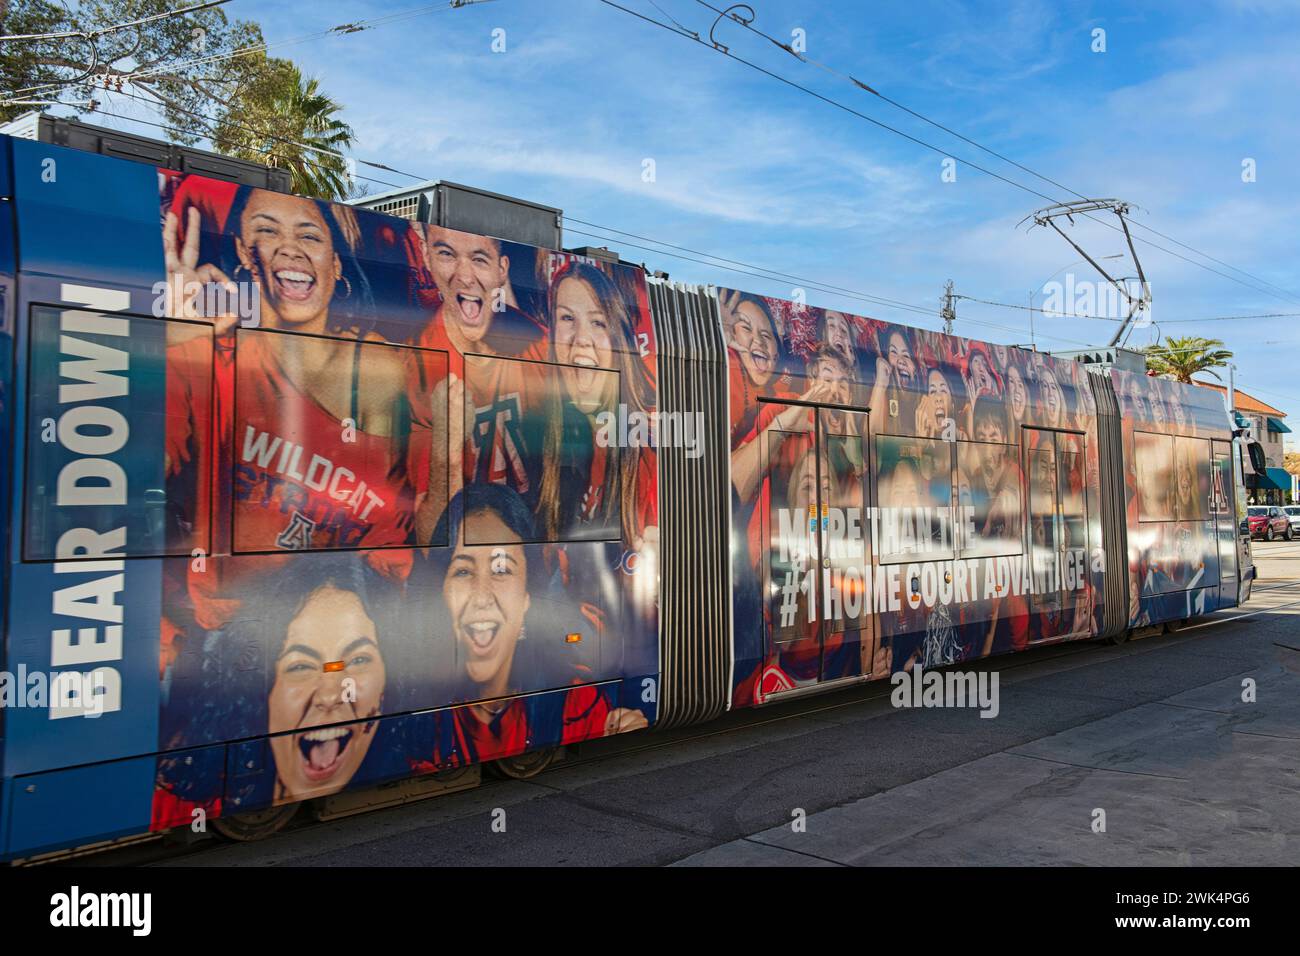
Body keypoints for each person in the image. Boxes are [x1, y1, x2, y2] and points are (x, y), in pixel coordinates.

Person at [162, 183, 415, 631]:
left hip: (336, 628)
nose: (290, 249)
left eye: (309, 235)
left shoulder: (375, 367)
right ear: (243, 251)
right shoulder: (212, 356)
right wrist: (169, 341)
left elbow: (389, 530)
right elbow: (139, 467)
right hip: (226, 633)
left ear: (335, 265)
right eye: (268, 231)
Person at [426, 484, 648, 765]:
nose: (481, 597)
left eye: (501, 570)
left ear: (527, 597)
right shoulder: (417, 725)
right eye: (463, 571)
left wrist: (625, 726)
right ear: (441, 591)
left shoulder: (575, 700)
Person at [406, 225, 548, 544]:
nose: (465, 276)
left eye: (480, 259)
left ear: (502, 270)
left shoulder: (537, 343)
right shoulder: (413, 364)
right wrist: (448, 452)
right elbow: (430, 541)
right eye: (446, 254)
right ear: (426, 257)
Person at [534, 261, 657, 546]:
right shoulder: (559, 442)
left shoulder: (650, 448)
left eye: (598, 322)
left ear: (620, 342)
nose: (581, 339)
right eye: (566, 319)